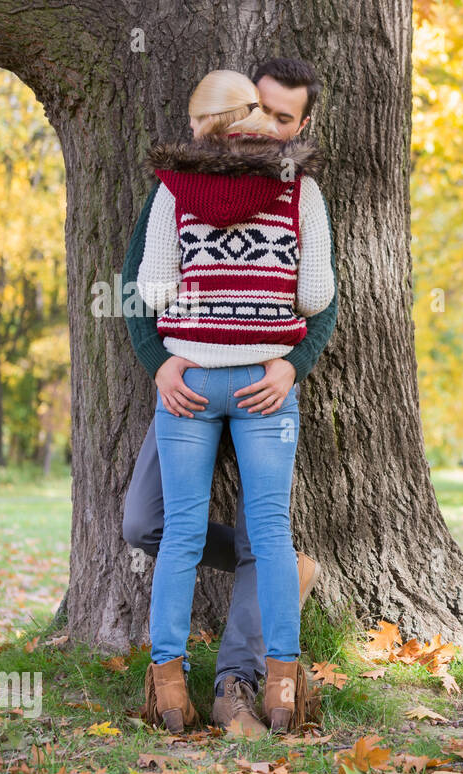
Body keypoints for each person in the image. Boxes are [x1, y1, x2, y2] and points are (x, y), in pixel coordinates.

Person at [121, 58, 335, 737]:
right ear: (249, 119)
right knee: (271, 535)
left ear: (199, 125)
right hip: (263, 386)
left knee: (180, 535)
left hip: (189, 380)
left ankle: (171, 692)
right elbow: (315, 297)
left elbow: (150, 293)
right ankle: (279, 690)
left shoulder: (171, 190)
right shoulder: (299, 193)